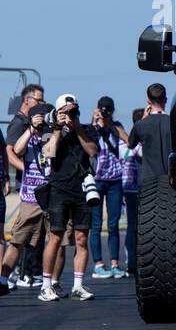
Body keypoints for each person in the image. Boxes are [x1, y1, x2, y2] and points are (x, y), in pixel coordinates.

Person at [38, 94, 99, 302]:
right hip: (59, 188)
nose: (71, 115)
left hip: (82, 189)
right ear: (57, 112)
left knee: (82, 239)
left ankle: (78, 286)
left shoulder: (86, 130)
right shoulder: (49, 131)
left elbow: (92, 151)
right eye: (66, 111)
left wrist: (78, 128)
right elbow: (48, 153)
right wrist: (57, 128)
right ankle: (46, 286)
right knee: (55, 237)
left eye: (74, 110)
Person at [4, 83, 45, 290]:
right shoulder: (19, 123)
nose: (41, 104)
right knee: (22, 234)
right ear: (27, 100)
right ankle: (12, 275)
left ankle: (28, 272)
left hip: (39, 184)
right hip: (27, 185)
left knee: (36, 235)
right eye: (39, 100)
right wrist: (27, 168)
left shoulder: (32, 122)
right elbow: (10, 152)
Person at [88, 96, 130, 279]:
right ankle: (98, 263)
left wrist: (110, 124)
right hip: (97, 179)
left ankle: (114, 263)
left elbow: (129, 141)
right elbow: (87, 143)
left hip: (115, 180)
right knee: (96, 224)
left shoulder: (116, 126)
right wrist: (94, 122)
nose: (106, 113)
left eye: (109, 111)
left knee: (113, 224)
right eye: (103, 110)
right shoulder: (93, 128)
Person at [128, 84, 172, 184]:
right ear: (165, 100)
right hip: (170, 178)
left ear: (148, 101)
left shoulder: (141, 125)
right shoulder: (174, 123)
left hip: (149, 179)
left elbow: (130, 144)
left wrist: (143, 119)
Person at [122, 109, 143, 276]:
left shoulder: (131, 142)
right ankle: (132, 263)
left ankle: (135, 262)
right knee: (133, 227)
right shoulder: (131, 142)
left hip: (136, 188)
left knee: (136, 227)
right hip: (132, 189)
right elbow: (129, 152)